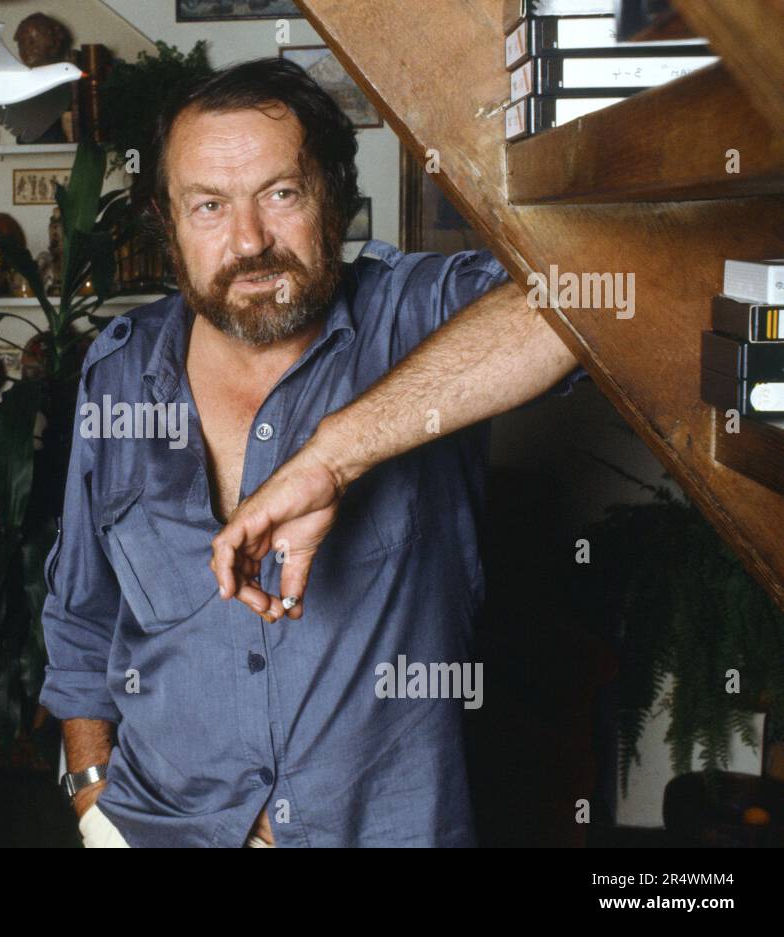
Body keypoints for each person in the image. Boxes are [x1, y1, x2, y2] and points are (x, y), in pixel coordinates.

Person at [38, 57, 586, 847]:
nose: (249, 240)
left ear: (335, 198)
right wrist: (93, 797)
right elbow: (82, 619)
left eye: (281, 194)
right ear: (169, 223)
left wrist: (338, 452)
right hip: (157, 826)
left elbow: (583, 301)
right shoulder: (120, 368)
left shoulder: (416, 313)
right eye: (209, 206)